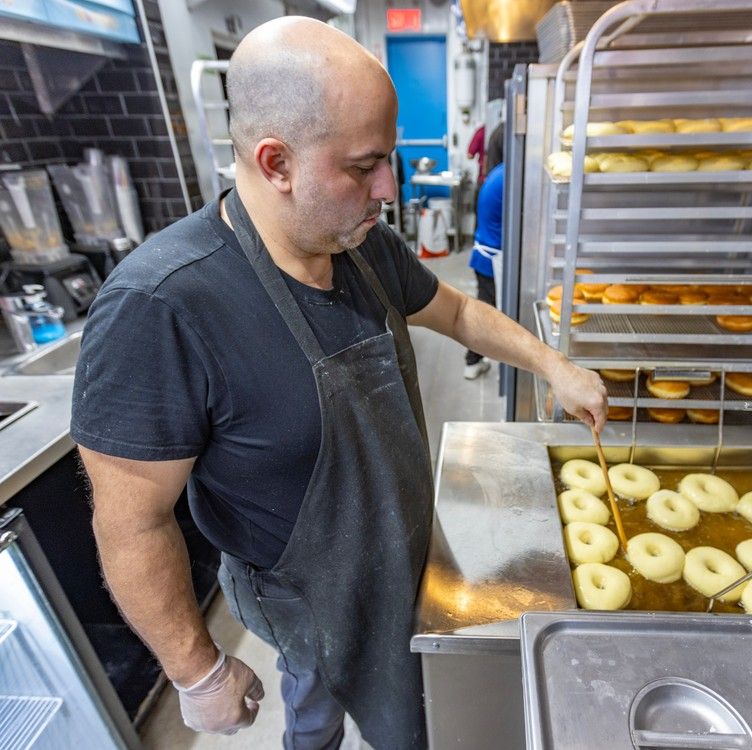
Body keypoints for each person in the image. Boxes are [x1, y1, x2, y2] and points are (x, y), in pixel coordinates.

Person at [71, 17, 606, 750]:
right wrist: (197, 672)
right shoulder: (161, 306)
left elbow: (455, 311)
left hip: (404, 551)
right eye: (364, 167)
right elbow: (131, 523)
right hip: (307, 600)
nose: (388, 188)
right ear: (276, 162)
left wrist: (553, 364)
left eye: (388, 160)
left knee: (416, 706)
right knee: (316, 707)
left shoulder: (362, 246)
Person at [463, 155, 503, 379]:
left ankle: (475, 360)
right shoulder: (510, 177)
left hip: (486, 253)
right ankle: (473, 362)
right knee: (486, 316)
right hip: (491, 258)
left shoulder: (500, 172)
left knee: (485, 311)